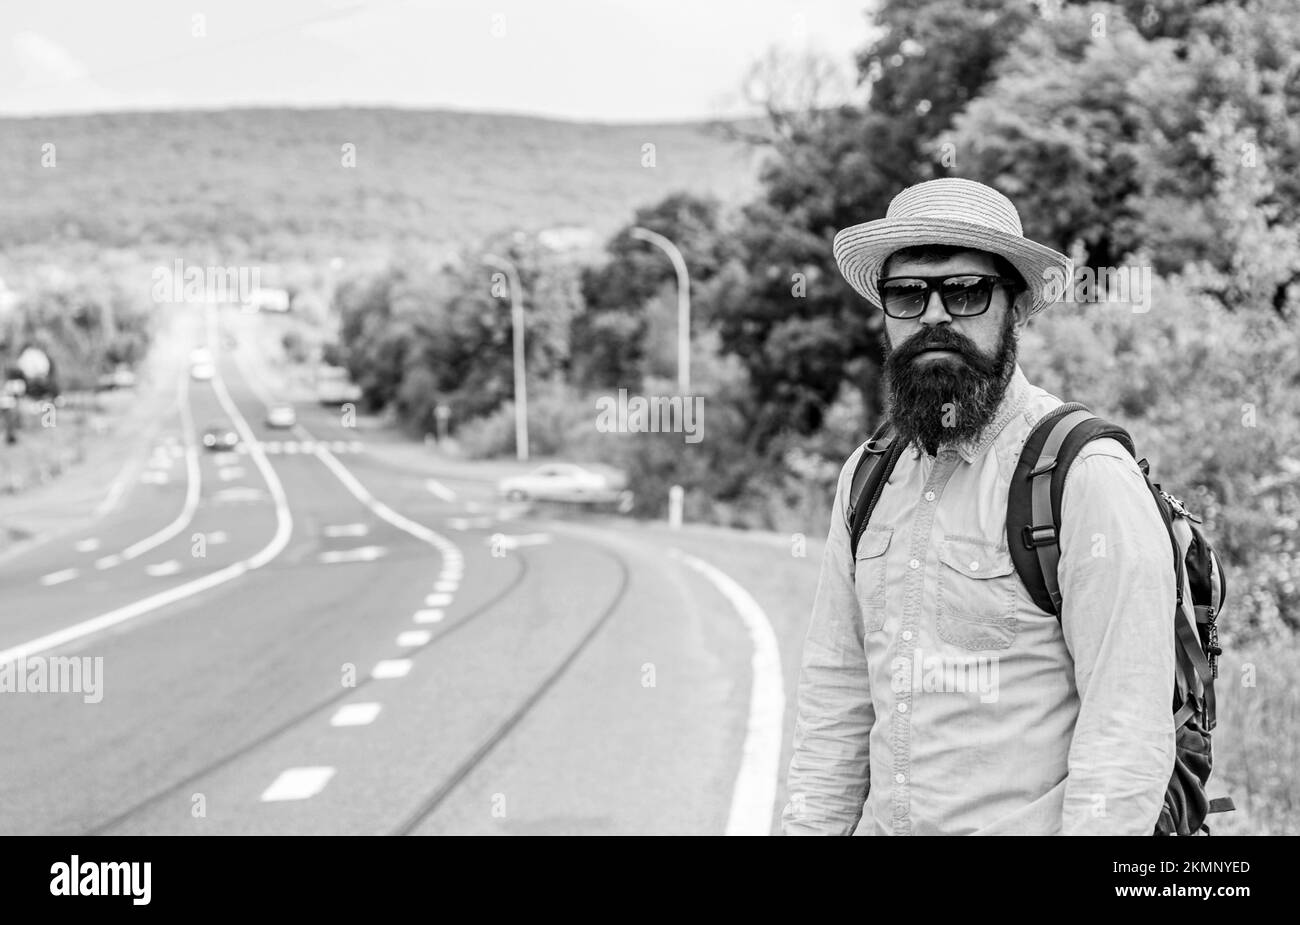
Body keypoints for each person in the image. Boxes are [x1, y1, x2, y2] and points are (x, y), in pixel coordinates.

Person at [783, 177, 1176, 835]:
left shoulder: (1086, 476)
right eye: (907, 294)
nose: (933, 314)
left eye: (965, 291)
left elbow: (1125, 739)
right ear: (885, 315)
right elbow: (834, 709)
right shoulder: (867, 478)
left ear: (1015, 308)